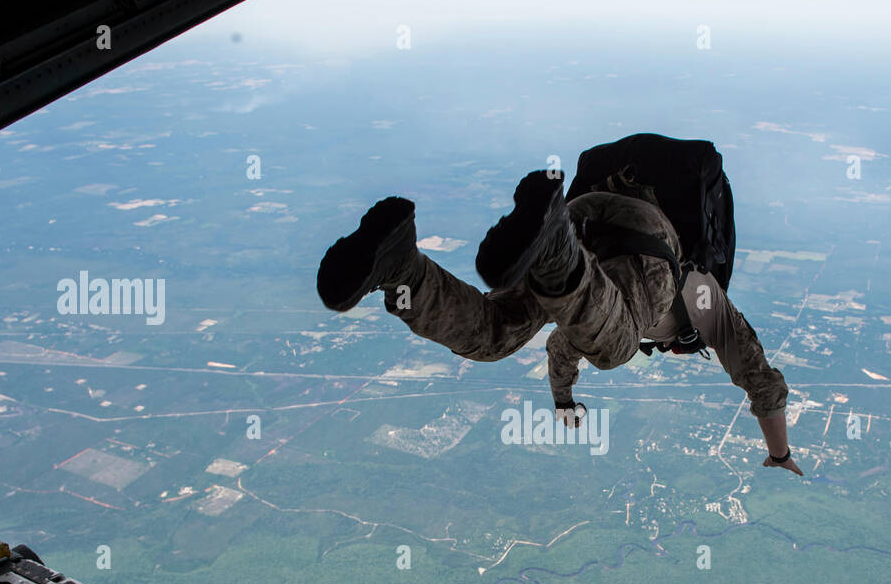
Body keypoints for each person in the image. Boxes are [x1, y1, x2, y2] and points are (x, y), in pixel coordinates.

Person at [316, 168, 802, 475]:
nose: (673, 348)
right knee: (615, 348)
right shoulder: (701, 292)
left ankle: (400, 270)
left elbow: (561, 348)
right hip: (636, 234)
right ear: (687, 339)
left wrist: (565, 402)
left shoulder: (617, 308)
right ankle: (553, 249)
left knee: (494, 336)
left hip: (577, 219)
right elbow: (759, 378)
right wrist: (779, 454)